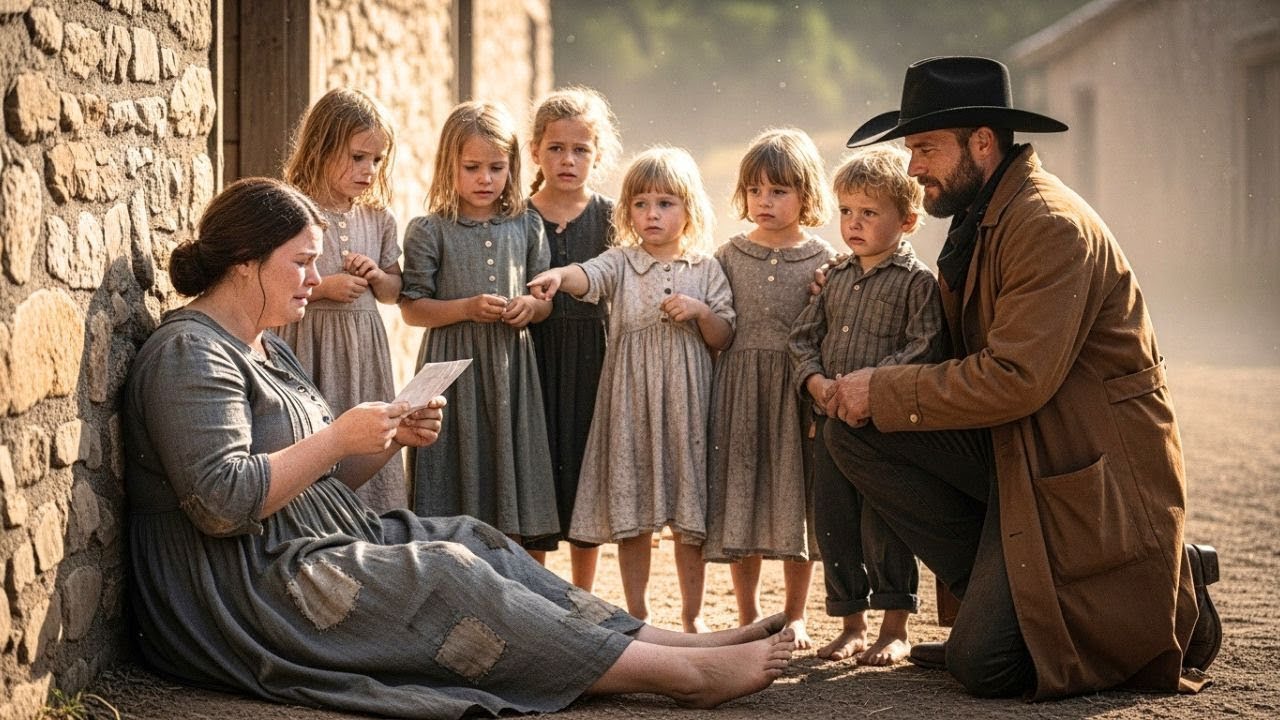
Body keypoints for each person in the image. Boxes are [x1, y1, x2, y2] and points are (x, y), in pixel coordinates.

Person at [123, 177, 797, 719]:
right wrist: (335, 437)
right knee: (444, 571)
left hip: (303, 544)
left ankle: (676, 643)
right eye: (300, 263)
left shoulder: (263, 342)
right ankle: (682, 677)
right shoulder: (189, 353)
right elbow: (221, 504)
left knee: (477, 540)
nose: (313, 278)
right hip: (242, 588)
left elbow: (321, 483)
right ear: (244, 264)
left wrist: (387, 440)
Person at [823, 55, 1221, 698]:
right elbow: (958, 349)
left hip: (1077, 464)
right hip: (1018, 448)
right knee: (856, 432)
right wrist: (846, 288)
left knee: (987, 667)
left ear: (982, 142)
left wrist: (883, 387)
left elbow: (1015, 377)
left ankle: (1173, 585)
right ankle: (998, 596)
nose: (912, 166)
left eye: (924, 148)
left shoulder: (1046, 224)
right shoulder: (985, 219)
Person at [527, 147, 734, 633]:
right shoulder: (622, 261)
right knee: (632, 510)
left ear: (690, 209)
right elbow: (589, 275)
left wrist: (702, 313)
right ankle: (637, 611)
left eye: (665, 203)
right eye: (641, 204)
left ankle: (692, 614)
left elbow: (725, 334)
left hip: (687, 407)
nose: (652, 214)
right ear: (627, 212)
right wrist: (560, 275)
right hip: (630, 405)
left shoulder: (705, 268)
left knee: (689, 515)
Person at [789, 145, 946, 666]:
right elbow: (803, 339)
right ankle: (851, 624)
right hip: (828, 424)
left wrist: (871, 387)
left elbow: (923, 347)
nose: (854, 224)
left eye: (869, 213)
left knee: (883, 524)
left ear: (907, 219)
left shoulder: (918, 283)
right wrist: (814, 384)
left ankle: (894, 628)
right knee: (833, 521)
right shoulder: (835, 277)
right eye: (847, 212)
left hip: (884, 433)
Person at [398, 100, 559, 549]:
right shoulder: (429, 230)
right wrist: (465, 308)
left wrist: (530, 307)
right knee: (456, 465)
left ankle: (522, 580)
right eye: (472, 167)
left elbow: (543, 300)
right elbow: (412, 308)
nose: (485, 179)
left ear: (512, 167)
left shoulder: (526, 224)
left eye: (496, 167)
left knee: (511, 468)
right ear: (449, 164)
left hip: (510, 370)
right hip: (453, 370)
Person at [702, 128, 834, 650]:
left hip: (795, 390)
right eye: (755, 190)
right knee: (744, 495)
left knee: (795, 499)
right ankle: (750, 614)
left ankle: (795, 614)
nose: (765, 201)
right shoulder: (728, 256)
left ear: (806, 194)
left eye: (779, 191)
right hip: (739, 390)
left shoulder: (824, 258)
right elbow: (719, 324)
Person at [272, 88, 407, 513]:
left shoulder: (378, 218)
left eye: (377, 160)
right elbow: (273, 281)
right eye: (356, 157)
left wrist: (377, 275)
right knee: (311, 433)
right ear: (321, 147)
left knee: (369, 427)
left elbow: (394, 292)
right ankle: (312, 516)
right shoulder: (293, 209)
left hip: (362, 350)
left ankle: (370, 516)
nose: (368, 170)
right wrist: (325, 287)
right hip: (306, 342)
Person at [524, 86, 623, 589]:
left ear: (597, 155)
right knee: (536, 467)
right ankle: (538, 594)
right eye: (556, 148)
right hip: (530, 359)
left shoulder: (612, 217)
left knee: (587, 470)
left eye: (581, 149)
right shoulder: (517, 216)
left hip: (594, 356)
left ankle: (583, 595)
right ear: (534, 151)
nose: (568, 159)